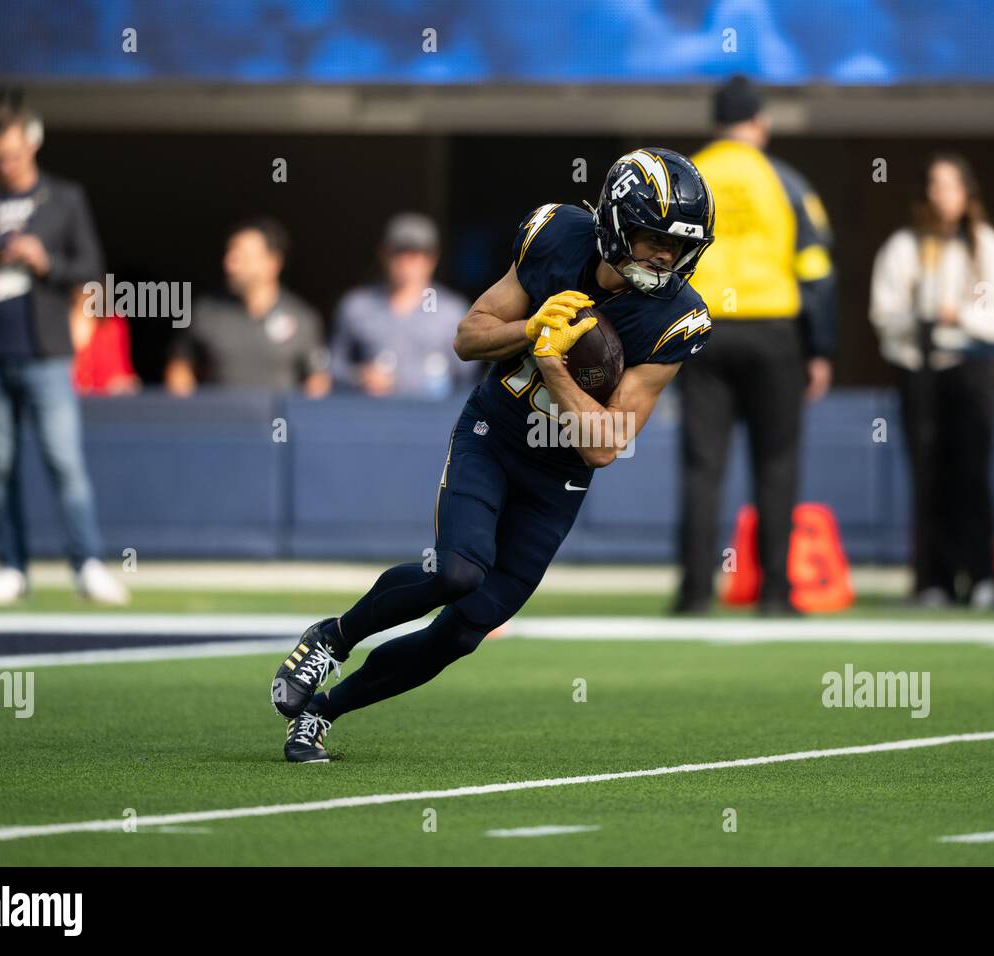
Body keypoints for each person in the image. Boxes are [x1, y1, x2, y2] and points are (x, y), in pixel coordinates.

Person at [269, 148, 715, 762]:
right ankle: (332, 636)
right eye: (652, 239)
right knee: (456, 570)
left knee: (464, 628)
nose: (666, 258)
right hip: (494, 437)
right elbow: (467, 337)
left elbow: (607, 446)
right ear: (614, 224)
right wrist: (532, 329)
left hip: (559, 475)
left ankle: (323, 712)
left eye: (677, 246)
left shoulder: (679, 318)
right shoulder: (556, 236)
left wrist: (556, 369)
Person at [0, 104, 128, 605]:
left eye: (15, 154)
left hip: (45, 351)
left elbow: (90, 267)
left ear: (32, 145)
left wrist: (44, 261)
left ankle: (87, 562)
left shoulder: (64, 199)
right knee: (0, 463)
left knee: (64, 460)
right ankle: (11, 565)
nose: (7, 164)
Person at [677, 74, 838, 615]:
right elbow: (817, 272)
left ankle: (695, 592)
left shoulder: (689, 178)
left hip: (703, 329)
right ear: (760, 124)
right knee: (776, 462)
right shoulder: (786, 181)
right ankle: (775, 592)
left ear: (715, 123)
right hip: (773, 331)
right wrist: (820, 349)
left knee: (702, 465)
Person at [869, 153, 994, 608]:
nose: (942, 196)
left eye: (951, 186)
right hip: (920, 370)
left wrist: (963, 316)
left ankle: (981, 578)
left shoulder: (985, 244)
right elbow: (885, 315)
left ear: (966, 193)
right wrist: (922, 317)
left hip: (971, 369)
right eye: (934, 186)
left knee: (971, 475)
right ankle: (932, 580)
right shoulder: (904, 245)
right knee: (928, 475)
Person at [165, 218, 330, 396]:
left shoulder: (303, 318)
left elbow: (317, 380)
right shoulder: (204, 311)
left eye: (243, 257)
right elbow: (179, 366)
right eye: (230, 255)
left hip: (276, 421)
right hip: (218, 419)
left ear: (272, 263)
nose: (230, 264)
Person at [328, 212, 476, 399]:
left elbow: (469, 377)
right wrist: (360, 376)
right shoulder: (358, 306)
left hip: (435, 419)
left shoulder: (452, 311)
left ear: (432, 258)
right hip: (370, 417)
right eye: (399, 252)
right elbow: (334, 368)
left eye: (417, 254)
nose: (407, 262)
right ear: (383, 253)